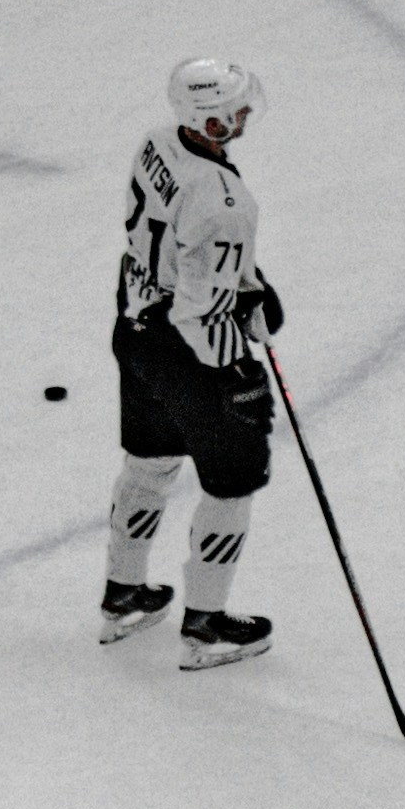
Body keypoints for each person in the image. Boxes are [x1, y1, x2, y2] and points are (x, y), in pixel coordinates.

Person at [100, 57, 280, 668]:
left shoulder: (156, 142)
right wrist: (241, 375)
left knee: (148, 465)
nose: (246, 113)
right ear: (211, 118)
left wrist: (246, 284)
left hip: (136, 326)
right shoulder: (227, 201)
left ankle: (124, 594)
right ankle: (205, 627)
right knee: (232, 484)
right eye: (236, 108)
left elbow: (180, 245)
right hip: (190, 356)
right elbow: (201, 317)